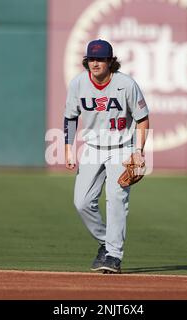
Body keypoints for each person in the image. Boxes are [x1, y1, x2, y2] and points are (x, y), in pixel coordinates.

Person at [64, 39, 150, 274]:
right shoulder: (78, 84)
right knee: (81, 202)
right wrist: (68, 148)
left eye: (101, 59)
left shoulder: (126, 84)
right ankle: (105, 241)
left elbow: (142, 119)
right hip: (92, 147)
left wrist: (139, 152)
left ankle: (113, 255)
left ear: (111, 61)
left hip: (122, 147)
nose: (96, 63)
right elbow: (70, 117)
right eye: (92, 59)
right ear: (86, 61)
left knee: (116, 200)